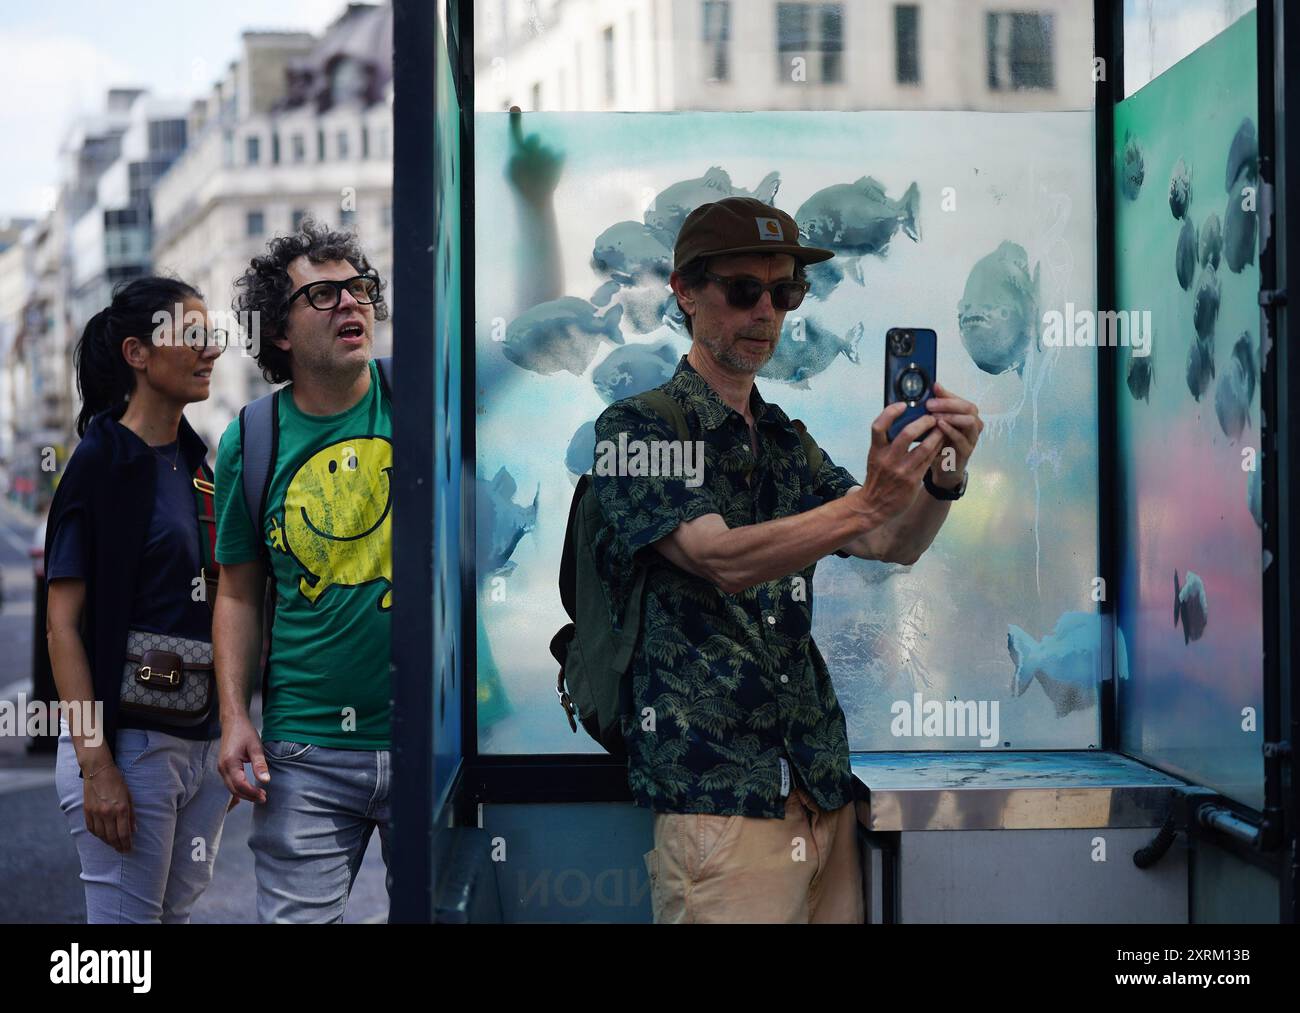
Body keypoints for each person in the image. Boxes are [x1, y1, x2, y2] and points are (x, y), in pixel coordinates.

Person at [591, 196, 985, 923]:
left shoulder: (783, 437)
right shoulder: (637, 425)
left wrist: (943, 477)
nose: (767, 311)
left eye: (785, 292)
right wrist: (866, 502)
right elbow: (719, 557)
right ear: (684, 291)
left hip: (819, 791)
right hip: (720, 806)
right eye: (744, 290)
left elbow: (889, 544)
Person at [213, 217, 393, 923]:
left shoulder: (424, 397)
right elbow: (236, 591)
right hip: (306, 749)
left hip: (433, 737)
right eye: (323, 295)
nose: (351, 303)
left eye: (359, 288)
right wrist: (235, 717)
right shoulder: (253, 438)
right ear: (280, 332)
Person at [47, 276, 229, 923]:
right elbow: (63, 626)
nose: (211, 349)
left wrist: (227, 734)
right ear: (138, 353)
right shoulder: (100, 463)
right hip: (129, 747)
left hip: (198, 745)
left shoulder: (198, 464)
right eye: (193, 334)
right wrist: (97, 765)